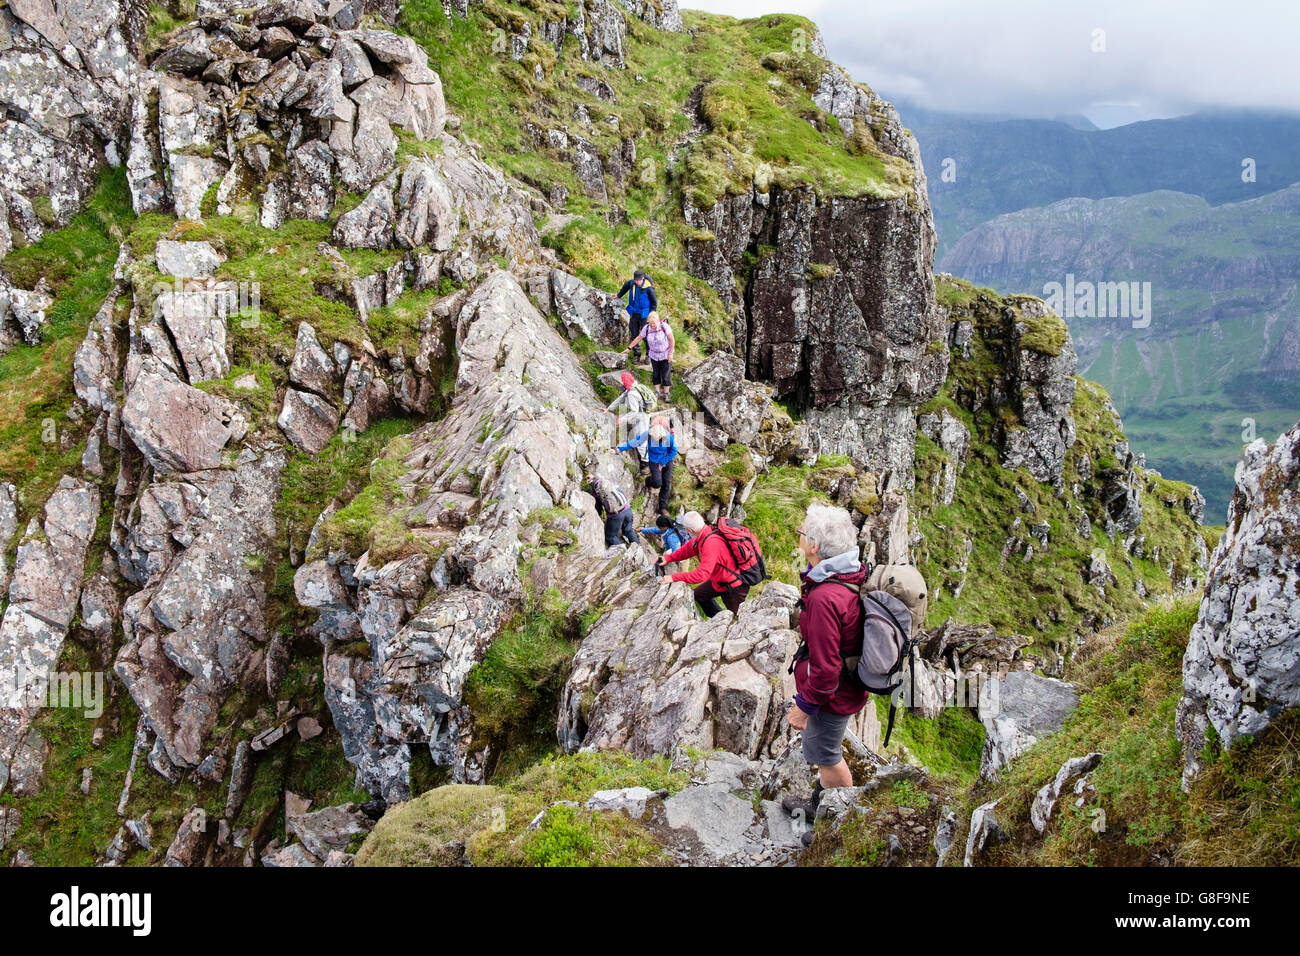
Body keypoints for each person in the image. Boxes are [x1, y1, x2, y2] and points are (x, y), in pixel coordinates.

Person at [781, 504, 869, 842]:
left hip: (833, 698)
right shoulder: (846, 573)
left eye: (803, 533)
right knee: (826, 752)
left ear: (814, 546)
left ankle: (841, 827)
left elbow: (827, 670)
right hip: (844, 690)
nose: (799, 536)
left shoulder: (825, 597)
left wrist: (804, 707)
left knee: (826, 756)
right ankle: (819, 804)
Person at [658, 512, 754, 618]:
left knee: (738, 619)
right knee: (699, 595)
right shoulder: (705, 533)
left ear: (690, 530)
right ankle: (718, 619)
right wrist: (668, 558)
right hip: (721, 580)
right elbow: (688, 550)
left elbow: (701, 575)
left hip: (735, 586)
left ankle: (725, 623)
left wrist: (673, 577)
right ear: (702, 520)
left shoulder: (710, 543)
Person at [615, 415, 678, 514]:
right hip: (653, 460)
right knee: (657, 483)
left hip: (666, 459)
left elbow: (673, 451)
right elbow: (635, 442)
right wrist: (618, 449)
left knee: (666, 483)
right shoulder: (648, 434)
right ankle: (648, 481)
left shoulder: (668, 436)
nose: (656, 439)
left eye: (658, 438)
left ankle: (662, 507)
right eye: (654, 437)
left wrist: (663, 462)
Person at [622, 311, 675, 403]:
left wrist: (670, 353)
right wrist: (629, 348)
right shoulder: (646, 328)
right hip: (654, 355)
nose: (653, 326)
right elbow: (638, 338)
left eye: (654, 323)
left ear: (658, 321)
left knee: (665, 374)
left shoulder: (664, 326)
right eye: (651, 324)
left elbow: (672, 340)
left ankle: (666, 393)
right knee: (655, 374)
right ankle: (657, 392)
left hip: (665, 354)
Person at [606, 371, 654, 471]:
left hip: (641, 417)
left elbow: (634, 411)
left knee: (640, 440)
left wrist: (623, 419)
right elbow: (621, 398)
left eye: (623, 380)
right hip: (645, 415)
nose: (623, 382)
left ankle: (646, 462)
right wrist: (609, 408)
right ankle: (647, 457)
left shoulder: (632, 393)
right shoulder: (636, 386)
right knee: (642, 437)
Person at [613, 269, 657, 364]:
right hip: (634, 312)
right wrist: (619, 295)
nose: (637, 282)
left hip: (645, 314)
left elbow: (654, 303)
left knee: (646, 335)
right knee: (633, 333)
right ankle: (637, 354)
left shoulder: (649, 288)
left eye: (638, 280)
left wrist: (652, 316)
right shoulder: (631, 284)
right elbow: (625, 287)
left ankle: (649, 355)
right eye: (635, 280)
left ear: (642, 279)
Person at [588, 471, 636, 548]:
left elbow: (598, 507)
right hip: (627, 508)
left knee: (610, 536)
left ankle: (622, 554)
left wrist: (598, 516)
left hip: (616, 515)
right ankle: (638, 549)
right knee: (628, 530)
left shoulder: (596, 491)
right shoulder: (608, 481)